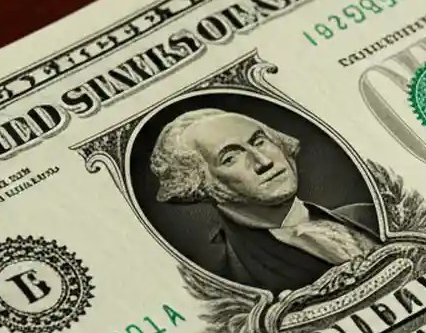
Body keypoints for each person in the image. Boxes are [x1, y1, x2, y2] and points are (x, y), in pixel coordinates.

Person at [150, 108, 380, 293]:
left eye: (259, 142)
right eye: (230, 158)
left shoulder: (367, 215)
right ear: (201, 184)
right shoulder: (235, 280)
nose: (264, 162)